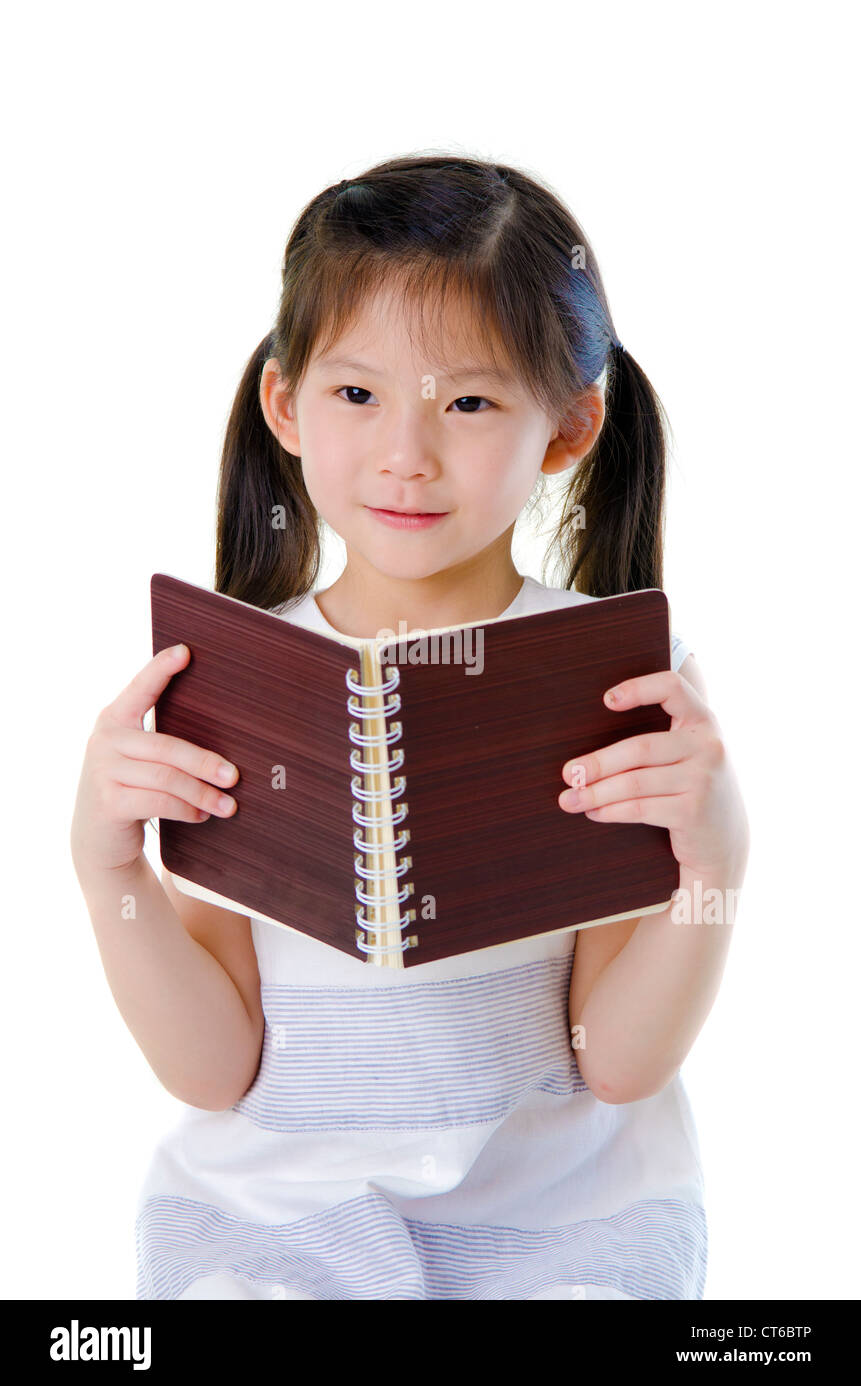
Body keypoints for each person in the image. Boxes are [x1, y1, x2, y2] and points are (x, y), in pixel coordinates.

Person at [70, 153, 750, 1300]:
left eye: (471, 401)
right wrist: (104, 864)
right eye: (357, 393)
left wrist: (713, 867)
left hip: (556, 1224)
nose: (406, 453)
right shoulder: (233, 675)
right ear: (285, 405)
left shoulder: (617, 677)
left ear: (569, 428)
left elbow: (619, 1063)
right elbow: (216, 1068)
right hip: (282, 1218)